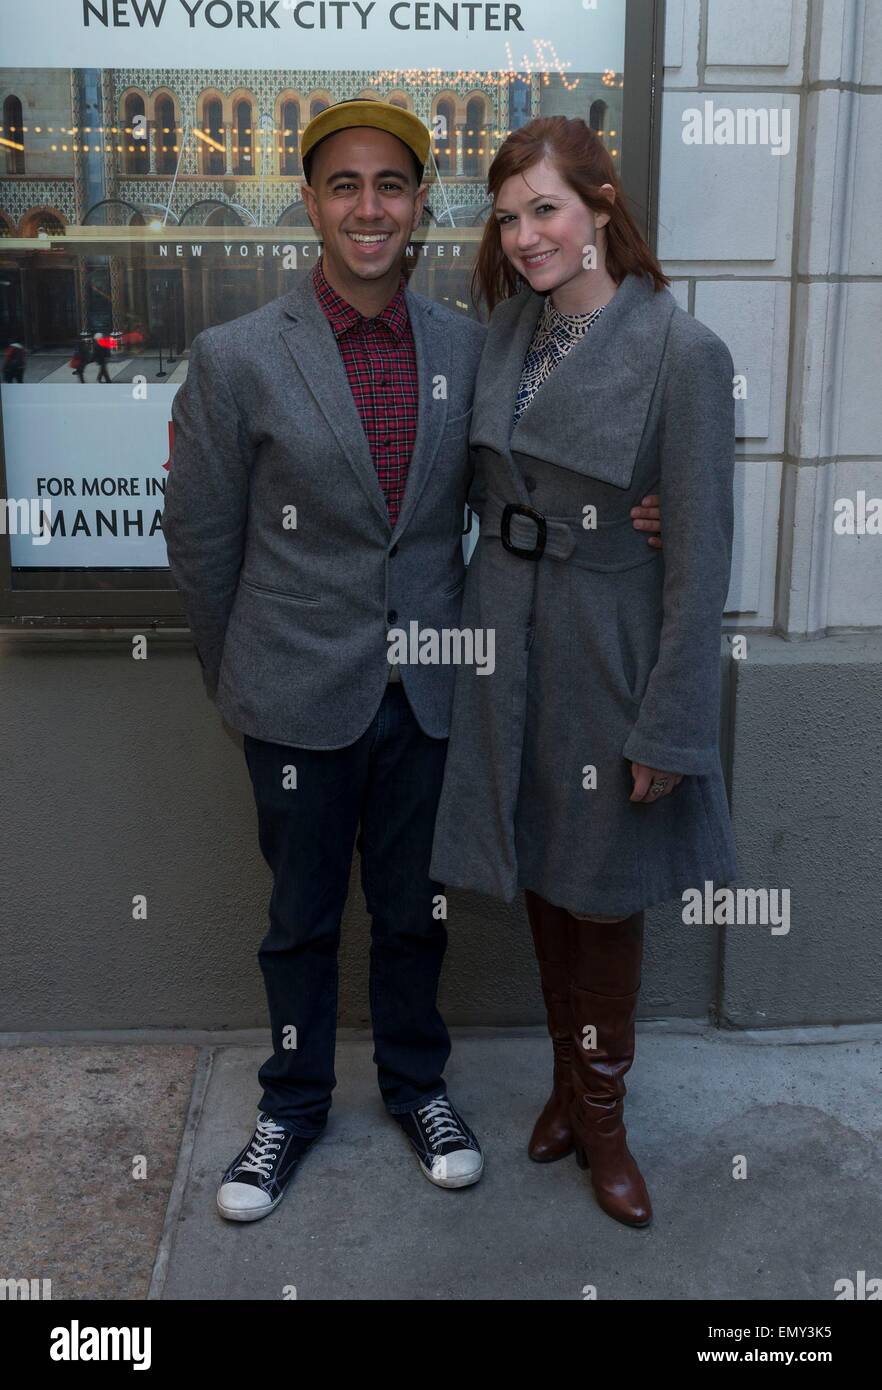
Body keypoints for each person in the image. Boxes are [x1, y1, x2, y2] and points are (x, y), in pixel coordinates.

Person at [162, 99, 663, 1225]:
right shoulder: (237, 357)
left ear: (421, 204)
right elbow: (199, 540)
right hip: (293, 691)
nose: (369, 206)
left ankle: (417, 1088)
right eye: (345, 184)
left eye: (391, 183)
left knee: (412, 914)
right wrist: (238, 674)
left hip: (433, 688)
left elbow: (539, 478)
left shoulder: (476, 346)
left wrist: (649, 508)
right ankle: (289, 1106)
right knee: (297, 920)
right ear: (312, 203)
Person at [429, 116, 738, 1229]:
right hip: (506, 640)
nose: (523, 235)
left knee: (603, 895)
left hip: (610, 652)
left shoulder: (683, 351)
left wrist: (670, 726)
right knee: (546, 878)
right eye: (508, 216)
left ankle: (604, 1116)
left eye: (546, 208)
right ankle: (567, 1076)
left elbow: (703, 562)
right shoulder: (502, 335)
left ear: (602, 207)